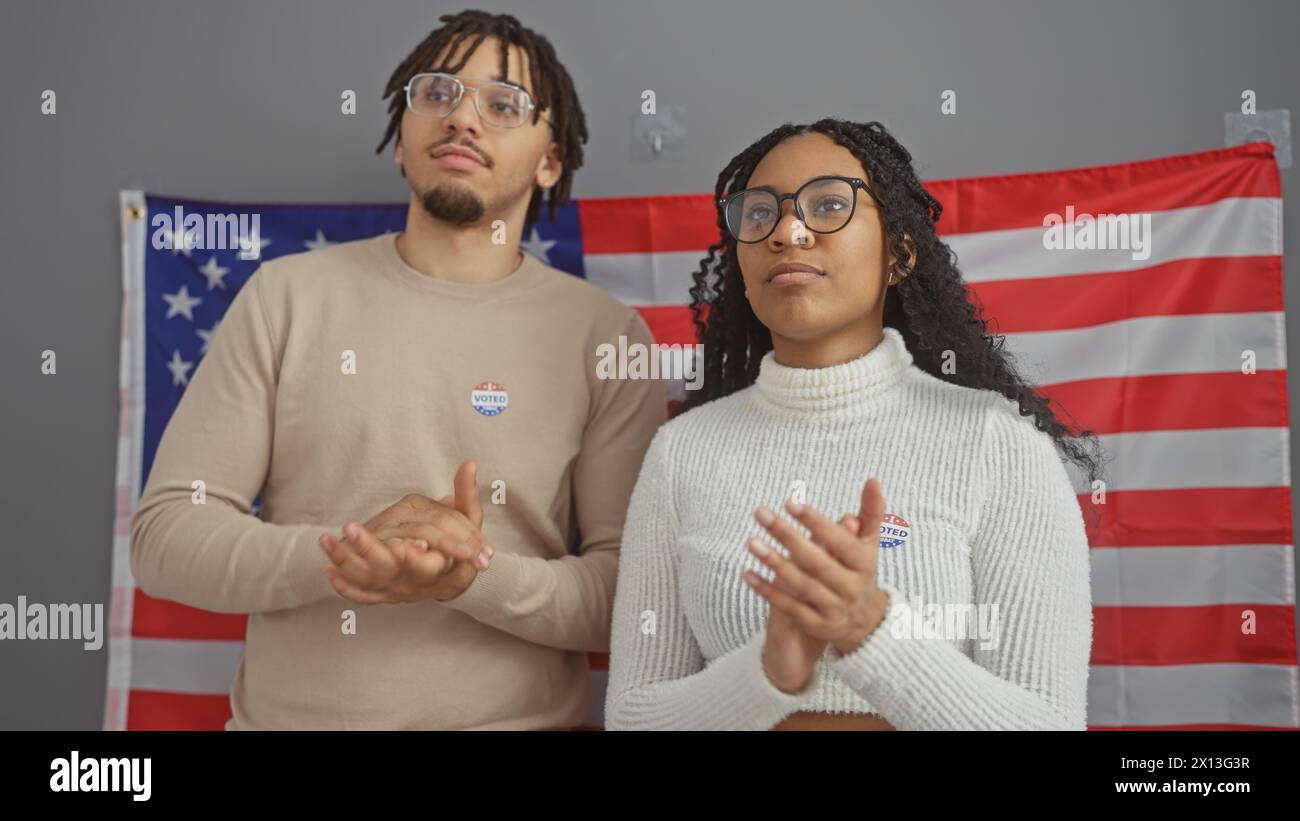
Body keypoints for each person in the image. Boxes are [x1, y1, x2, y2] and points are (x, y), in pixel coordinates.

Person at [130, 10, 665, 729]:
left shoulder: (607, 337)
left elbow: (632, 597)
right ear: (402, 139)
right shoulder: (286, 297)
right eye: (437, 93)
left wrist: (468, 577)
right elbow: (165, 539)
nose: (462, 118)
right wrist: (351, 552)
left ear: (550, 160)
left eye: (503, 104)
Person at [604, 119, 1103, 730]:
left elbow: (1049, 726)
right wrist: (771, 674)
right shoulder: (681, 451)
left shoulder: (997, 445)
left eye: (830, 205)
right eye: (760, 214)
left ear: (899, 253)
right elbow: (633, 717)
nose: (788, 231)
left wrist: (868, 632)